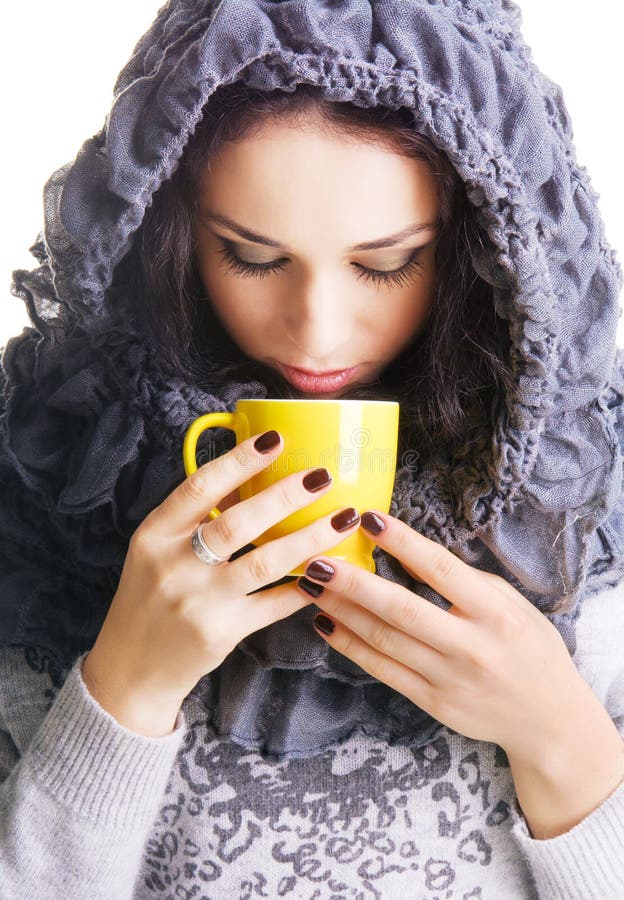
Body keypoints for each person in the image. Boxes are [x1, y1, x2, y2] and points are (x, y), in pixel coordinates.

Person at [1, 0, 623, 897]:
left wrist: (561, 739)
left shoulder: (594, 493)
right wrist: (121, 696)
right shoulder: (47, 473)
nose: (318, 335)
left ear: (488, 248)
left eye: (386, 263)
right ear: (164, 235)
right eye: (252, 258)